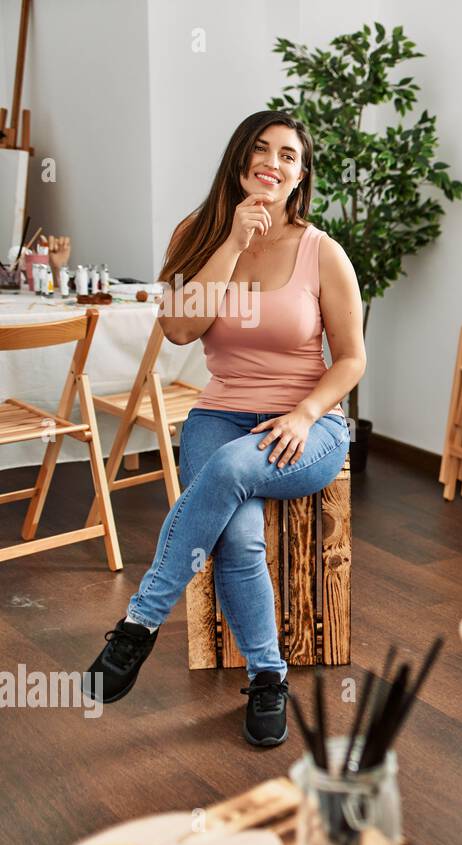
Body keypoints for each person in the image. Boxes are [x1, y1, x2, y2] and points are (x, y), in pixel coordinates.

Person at [83, 110, 365, 748]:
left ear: (301, 174)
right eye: (261, 150)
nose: (273, 161)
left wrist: (303, 412)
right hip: (220, 413)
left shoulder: (323, 252)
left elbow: (351, 359)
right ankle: (270, 678)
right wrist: (233, 241)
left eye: (288, 155)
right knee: (237, 539)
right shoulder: (201, 233)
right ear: (240, 161)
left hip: (309, 424)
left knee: (233, 470)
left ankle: (137, 626)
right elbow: (180, 328)